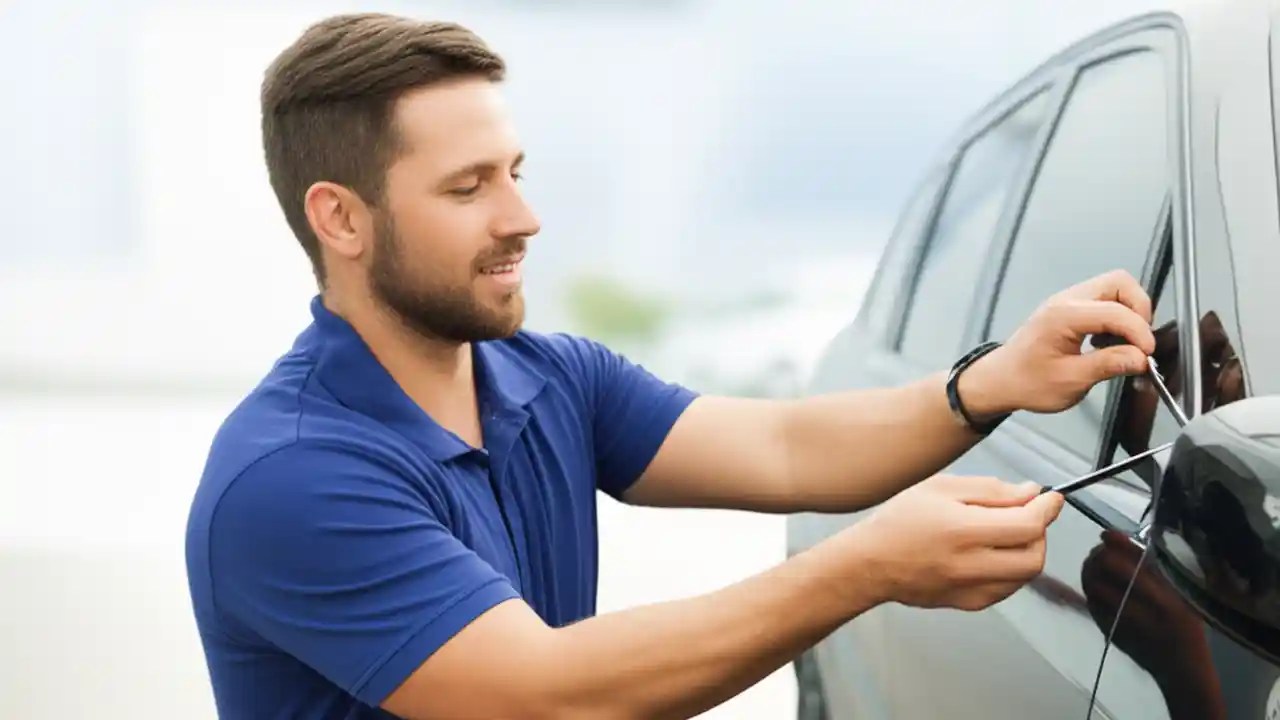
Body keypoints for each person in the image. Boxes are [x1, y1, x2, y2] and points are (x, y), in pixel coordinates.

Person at [184, 13, 1158, 719]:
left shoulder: (549, 379)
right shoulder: (293, 478)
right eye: (467, 187)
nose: (523, 218)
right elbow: (545, 698)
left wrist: (988, 383)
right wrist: (865, 568)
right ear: (340, 218)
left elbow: (785, 448)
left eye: (514, 172)